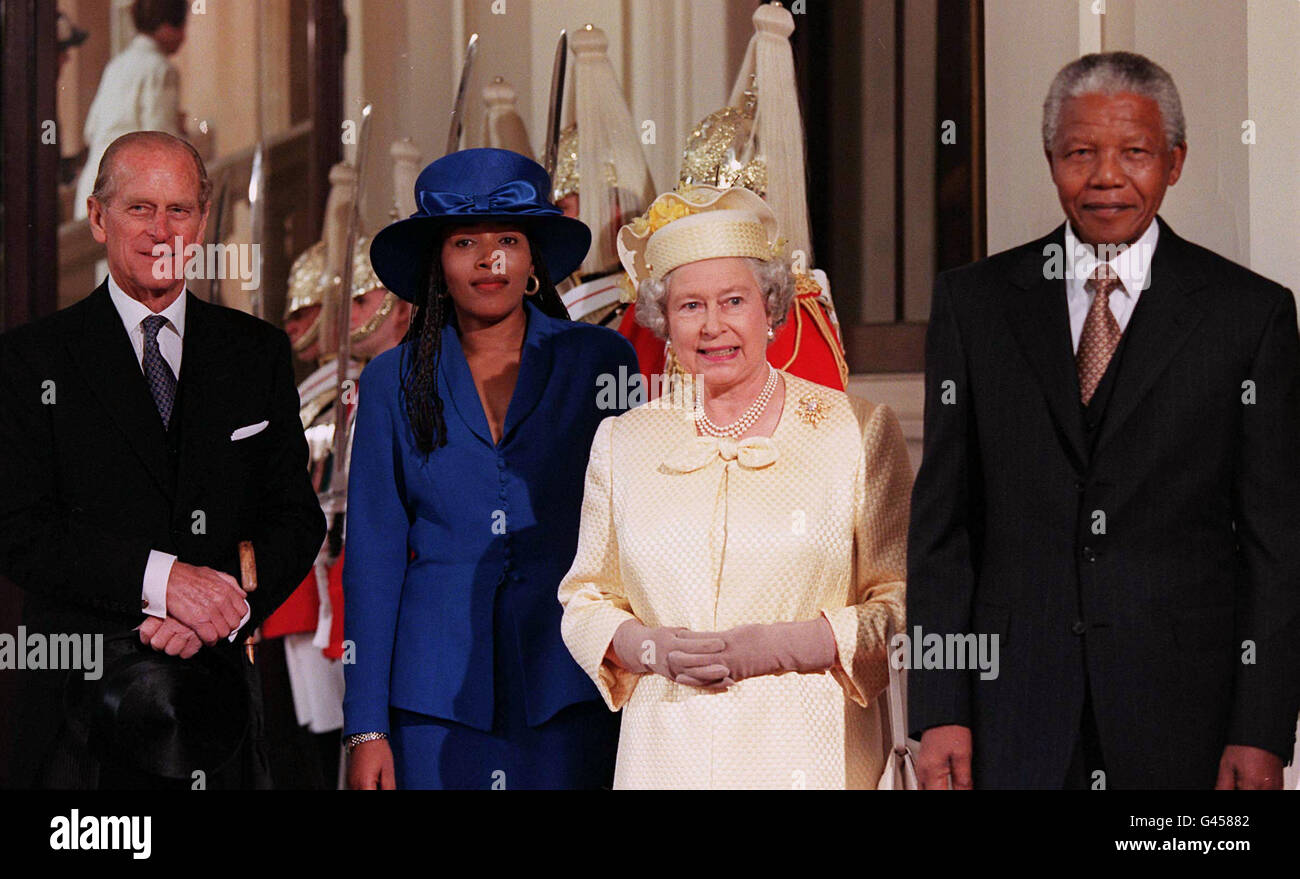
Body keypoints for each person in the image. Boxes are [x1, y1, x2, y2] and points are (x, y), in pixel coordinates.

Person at [908, 52, 1300, 790]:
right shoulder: (974, 306)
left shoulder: (1249, 315)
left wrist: (1262, 728)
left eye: (1135, 152)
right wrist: (939, 707)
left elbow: (1277, 546)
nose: (1106, 176)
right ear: (1051, 158)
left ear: (1175, 161)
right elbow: (943, 534)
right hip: (1011, 713)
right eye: (1080, 152)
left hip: (1186, 716)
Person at [0, 130, 324, 788]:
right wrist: (165, 580)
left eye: (179, 209)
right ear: (97, 218)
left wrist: (222, 608)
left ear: (202, 221)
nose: (161, 230)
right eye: (140, 208)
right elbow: (19, 528)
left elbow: (296, 519)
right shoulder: (32, 359)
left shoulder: (255, 353)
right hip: (80, 722)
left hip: (218, 711)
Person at [558, 185, 911, 788]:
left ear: (770, 308)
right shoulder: (623, 441)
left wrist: (785, 646)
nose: (713, 326)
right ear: (662, 320)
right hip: (664, 758)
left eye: (733, 301)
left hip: (812, 756)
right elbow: (585, 600)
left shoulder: (854, 431)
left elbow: (901, 603)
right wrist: (649, 649)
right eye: (690, 305)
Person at [342, 148, 639, 790]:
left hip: (576, 681)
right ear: (436, 264)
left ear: (533, 258)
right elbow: (372, 559)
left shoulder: (602, 362)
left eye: (508, 238)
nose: (489, 258)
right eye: (464, 241)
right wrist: (366, 727)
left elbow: (639, 526)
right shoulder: (391, 380)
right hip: (434, 701)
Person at [74, 0, 189, 220]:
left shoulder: (117, 65)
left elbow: (90, 130)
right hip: (128, 189)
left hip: (93, 185)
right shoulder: (160, 69)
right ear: (166, 27)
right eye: (182, 26)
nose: (184, 36)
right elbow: (161, 141)